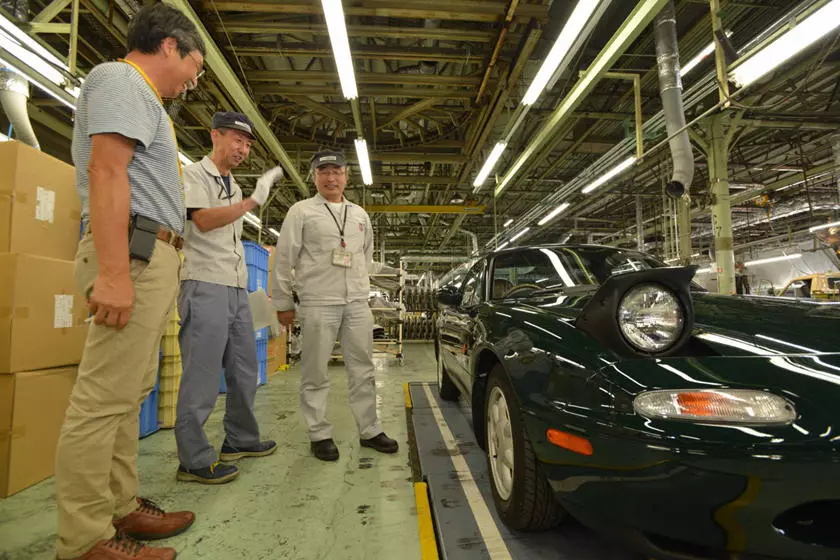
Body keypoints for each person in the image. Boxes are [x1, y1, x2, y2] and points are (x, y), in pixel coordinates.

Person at [54, 4, 205, 560]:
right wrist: (116, 272)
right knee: (100, 401)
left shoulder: (145, 99)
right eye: (197, 65)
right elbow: (107, 170)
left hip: (149, 253)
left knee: (126, 394)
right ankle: (84, 539)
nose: (194, 79)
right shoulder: (121, 79)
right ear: (170, 46)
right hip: (131, 254)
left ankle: (119, 508)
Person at [175, 112, 283, 484]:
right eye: (237, 140)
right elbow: (202, 221)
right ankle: (192, 459)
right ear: (215, 135)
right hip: (204, 283)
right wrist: (253, 202)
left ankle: (240, 439)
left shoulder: (232, 186)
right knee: (202, 375)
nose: (243, 148)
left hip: (235, 287)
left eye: (248, 144)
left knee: (244, 369)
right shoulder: (193, 175)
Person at [272, 150, 399, 462]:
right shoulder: (301, 212)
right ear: (314, 176)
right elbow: (284, 258)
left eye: (337, 171)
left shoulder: (359, 215)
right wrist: (283, 301)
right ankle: (319, 433)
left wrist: (359, 285)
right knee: (315, 371)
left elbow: (365, 256)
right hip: (318, 302)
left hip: (356, 302)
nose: (331, 178)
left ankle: (370, 429)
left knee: (364, 369)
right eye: (323, 171)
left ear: (346, 176)